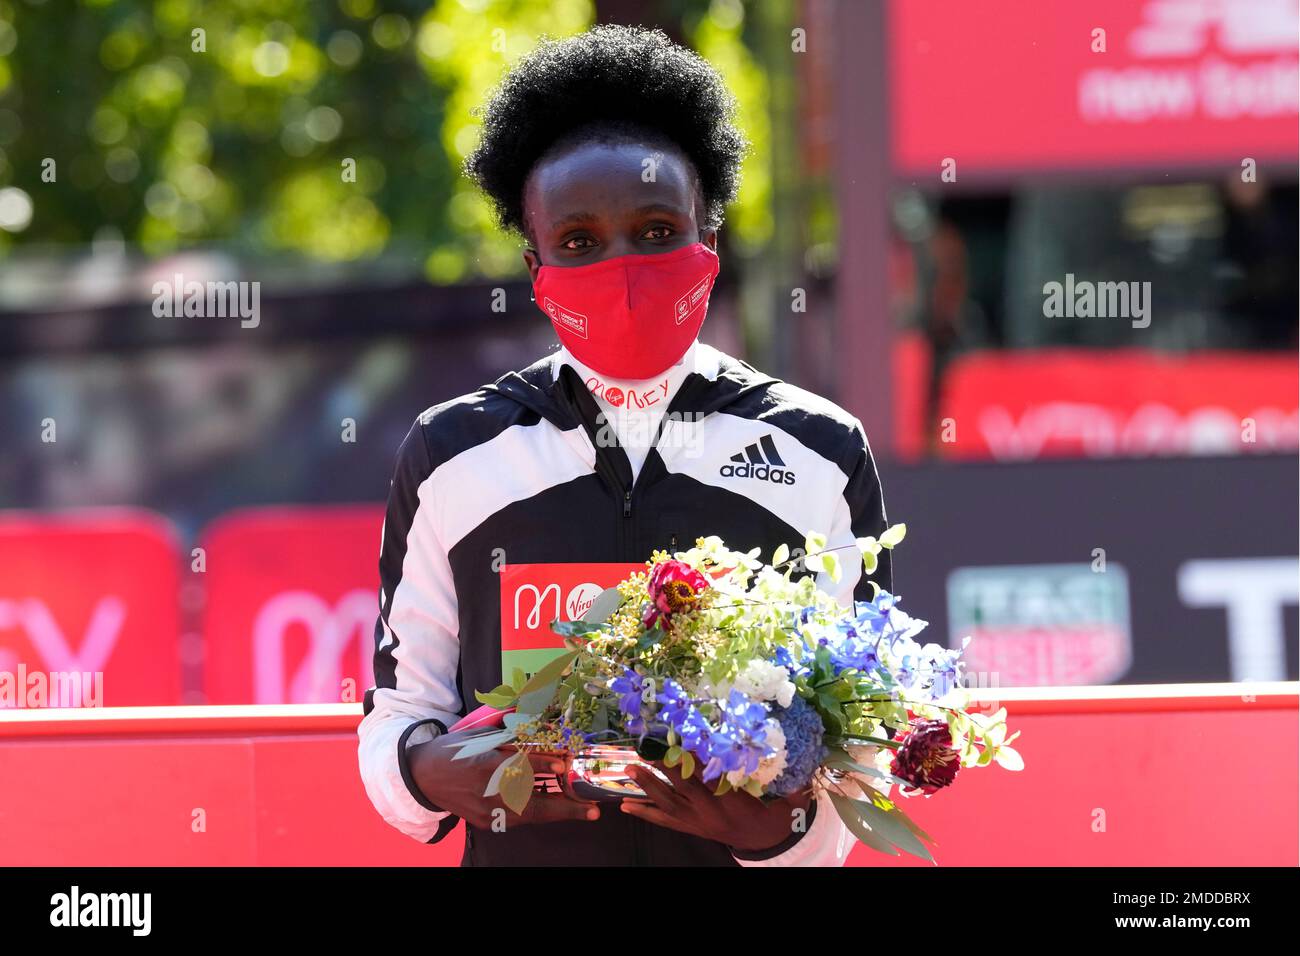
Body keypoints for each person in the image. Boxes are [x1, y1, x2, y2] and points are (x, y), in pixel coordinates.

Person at [358, 24, 891, 866]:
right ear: (535, 266)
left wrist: (783, 836)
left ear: (707, 240)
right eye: (578, 243)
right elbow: (395, 717)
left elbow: (860, 744)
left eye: (654, 232)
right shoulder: (453, 453)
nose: (624, 268)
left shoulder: (818, 449)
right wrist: (435, 772)